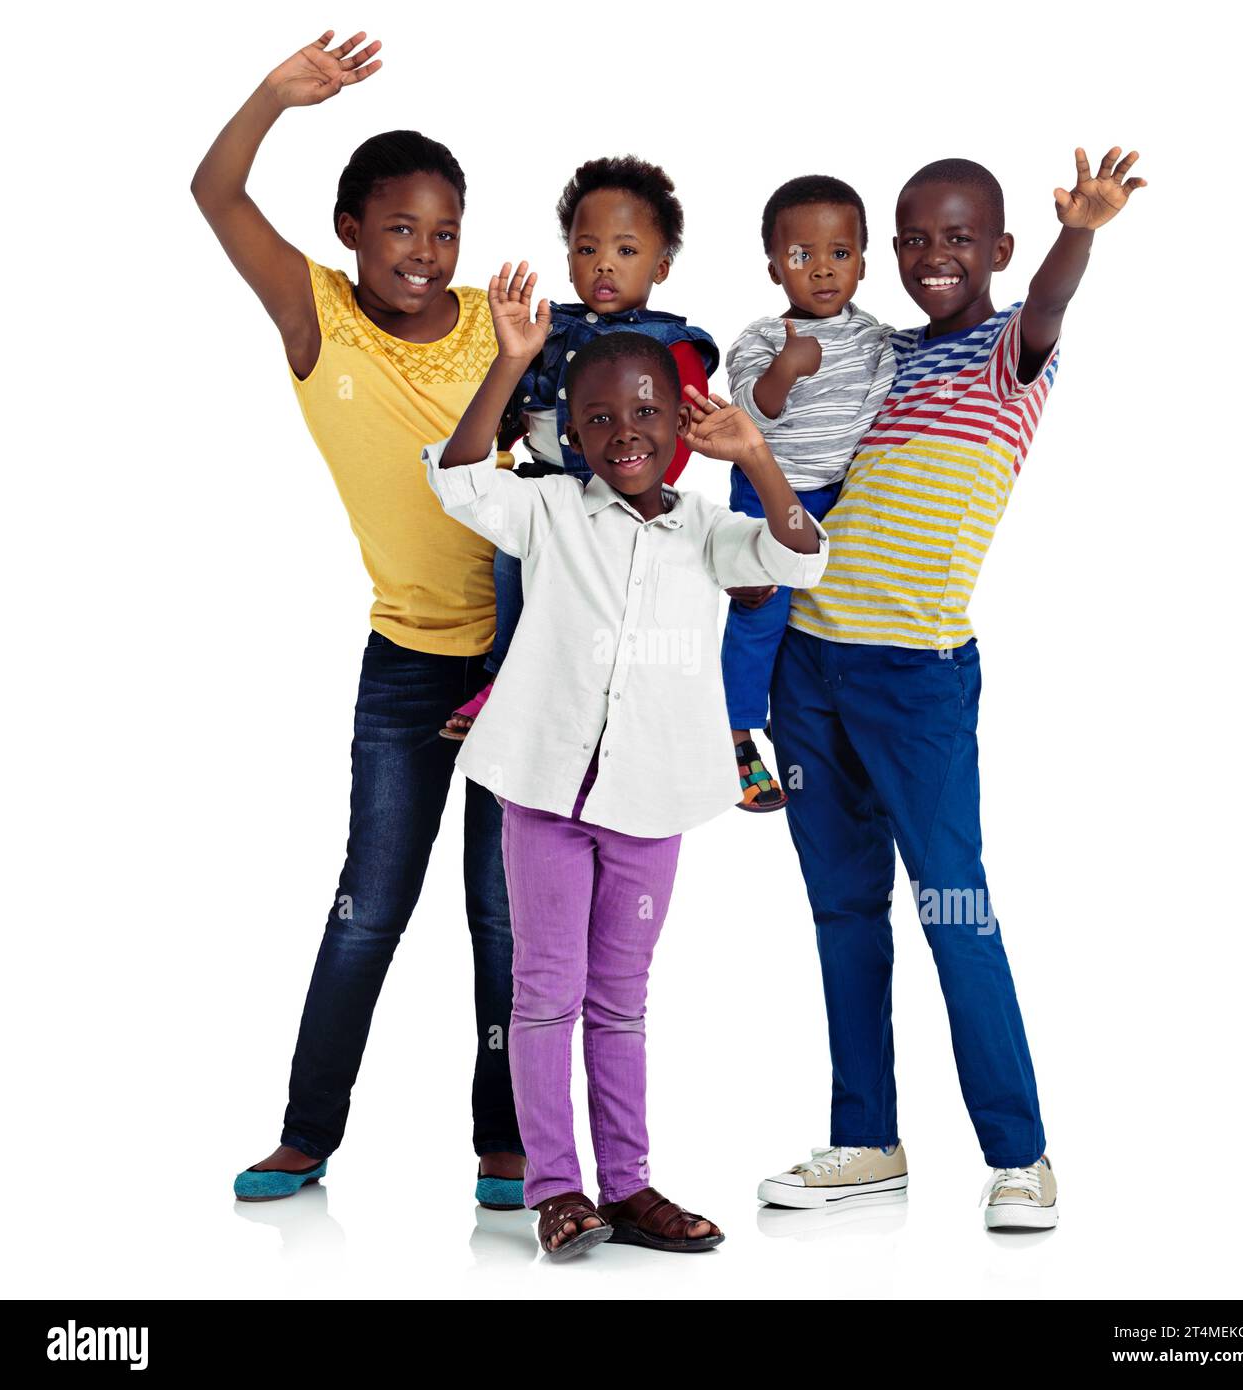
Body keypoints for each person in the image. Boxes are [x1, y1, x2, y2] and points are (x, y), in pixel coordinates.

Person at [760, 147, 1146, 1229]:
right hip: (806, 661)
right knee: (842, 908)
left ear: (1000, 250)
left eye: (960, 239)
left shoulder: (1004, 353)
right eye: (917, 240)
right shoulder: (873, 355)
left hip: (916, 678)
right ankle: (865, 1139)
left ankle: (1020, 1156)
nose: (936, 258)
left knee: (953, 908)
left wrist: (1083, 231)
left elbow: (1054, 302)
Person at [423, 266, 829, 1258]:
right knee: (543, 991)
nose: (624, 432)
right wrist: (509, 363)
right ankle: (556, 1189)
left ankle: (630, 1181)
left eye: (646, 411)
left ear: (683, 425)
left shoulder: (709, 531)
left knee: (619, 999)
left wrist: (758, 454)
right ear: (574, 434)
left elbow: (799, 557)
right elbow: (459, 478)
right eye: (597, 419)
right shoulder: (552, 510)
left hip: (653, 797)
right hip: (543, 788)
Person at [190, 29, 525, 1206]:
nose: (425, 255)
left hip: (522, 664)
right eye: (399, 229)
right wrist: (273, 97)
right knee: (368, 902)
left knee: (503, 914)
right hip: (404, 666)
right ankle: (305, 1131)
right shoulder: (315, 316)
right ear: (349, 231)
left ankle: (507, 1142)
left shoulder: (500, 323)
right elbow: (214, 192)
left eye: (443, 233)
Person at [438, 156, 718, 742]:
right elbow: (513, 406)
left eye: (626, 250)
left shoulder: (672, 346)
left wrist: (645, 494)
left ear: (661, 266)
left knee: (604, 598)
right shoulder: (550, 328)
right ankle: (503, 675)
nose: (604, 265)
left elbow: (682, 434)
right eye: (587, 250)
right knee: (511, 562)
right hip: (544, 484)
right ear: (568, 257)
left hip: (622, 496)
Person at [722, 174, 894, 810]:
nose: (822, 270)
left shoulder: (876, 339)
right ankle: (734, 732)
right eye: (801, 257)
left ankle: (818, 739)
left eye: (840, 254)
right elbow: (749, 419)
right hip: (769, 495)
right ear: (774, 269)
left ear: (863, 263)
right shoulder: (762, 338)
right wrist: (784, 371)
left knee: (821, 621)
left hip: (838, 498)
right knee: (762, 612)